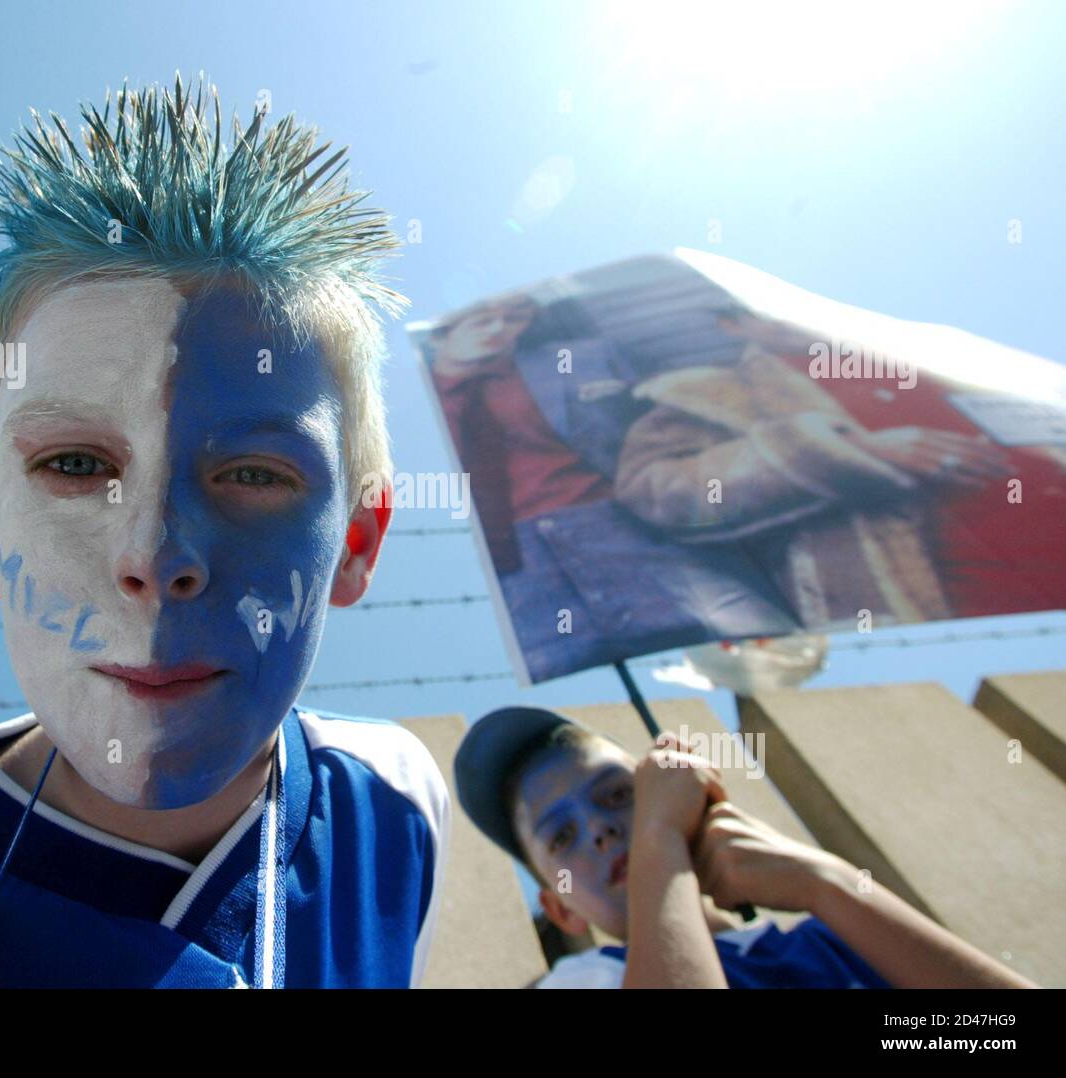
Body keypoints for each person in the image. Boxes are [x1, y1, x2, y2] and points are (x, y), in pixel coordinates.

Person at [0, 75, 448, 989]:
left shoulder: (397, 804)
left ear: (358, 541)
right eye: (77, 465)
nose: (157, 558)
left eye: (253, 473)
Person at [454, 706, 1037, 988]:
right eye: (561, 837)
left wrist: (826, 882)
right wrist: (657, 839)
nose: (600, 830)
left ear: (698, 799)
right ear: (561, 909)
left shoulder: (834, 938)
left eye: (618, 795)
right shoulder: (583, 981)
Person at [424, 297, 798, 684]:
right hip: (511, 559)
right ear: (444, 331)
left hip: (620, 522)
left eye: (515, 317)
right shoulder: (419, 397)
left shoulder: (579, 359)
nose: (499, 327)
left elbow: (672, 412)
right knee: (562, 666)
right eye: (481, 319)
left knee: (733, 628)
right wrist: (451, 372)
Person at [615, 307, 1027, 631]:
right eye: (764, 308)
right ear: (734, 325)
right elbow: (657, 493)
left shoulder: (948, 370)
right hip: (927, 623)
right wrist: (846, 451)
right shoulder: (709, 391)